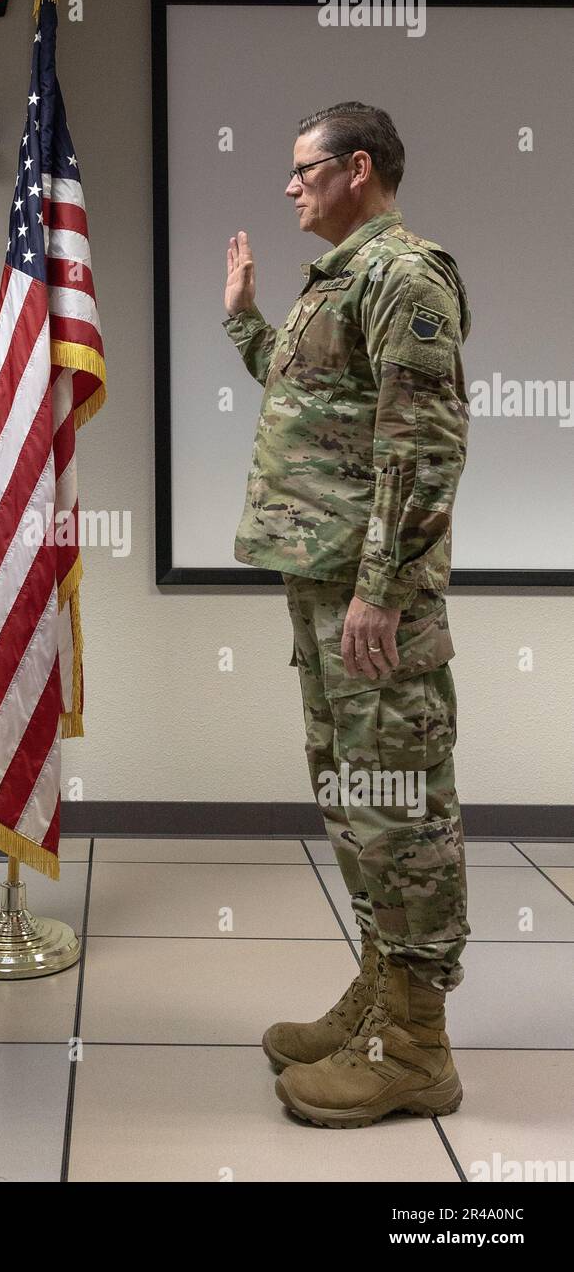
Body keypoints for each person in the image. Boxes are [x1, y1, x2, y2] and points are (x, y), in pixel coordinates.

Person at [223, 102, 471, 1128]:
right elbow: (310, 401)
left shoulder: (403, 276)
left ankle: (416, 1046)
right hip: (323, 584)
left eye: (301, 170)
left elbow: (422, 446)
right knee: (355, 795)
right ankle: (378, 997)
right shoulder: (340, 280)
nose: (288, 186)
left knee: (401, 804)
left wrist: (379, 585)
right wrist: (243, 318)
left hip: (373, 600)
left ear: (354, 169)